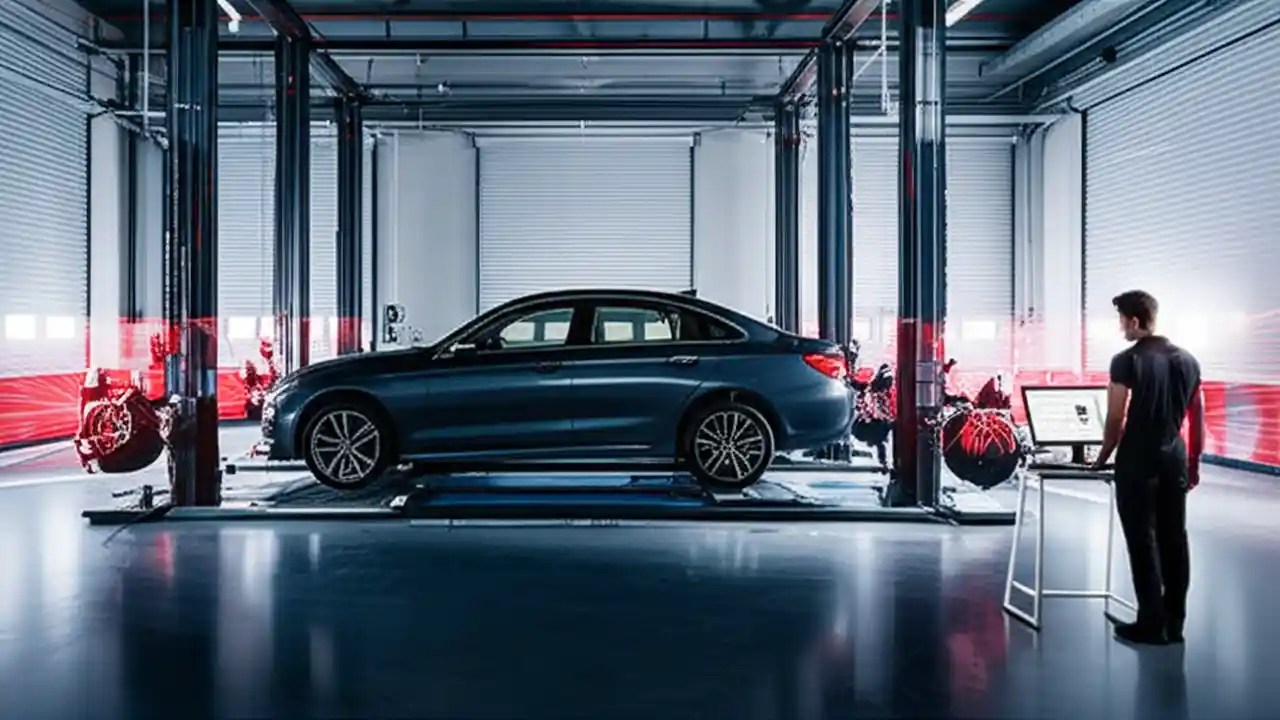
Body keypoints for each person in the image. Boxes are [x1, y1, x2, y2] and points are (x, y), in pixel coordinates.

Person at [1093, 290, 1204, 645]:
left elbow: (1115, 416)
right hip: (1175, 458)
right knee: (1176, 538)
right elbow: (1196, 417)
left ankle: (1150, 622)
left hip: (1137, 459)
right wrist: (1194, 461)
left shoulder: (1125, 360)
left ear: (1134, 321)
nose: (1120, 326)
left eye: (1121, 319)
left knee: (1142, 541)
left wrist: (1103, 455)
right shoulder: (1188, 360)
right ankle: (1176, 623)